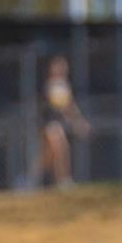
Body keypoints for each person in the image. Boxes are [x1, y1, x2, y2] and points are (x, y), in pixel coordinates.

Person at [32, 54, 87, 188]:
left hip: (57, 124)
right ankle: (63, 180)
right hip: (48, 125)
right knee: (61, 148)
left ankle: (29, 179)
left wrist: (79, 121)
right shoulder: (50, 85)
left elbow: (70, 106)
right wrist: (76, 123)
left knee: (48, 156)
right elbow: (61, 105)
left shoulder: (64, 85)